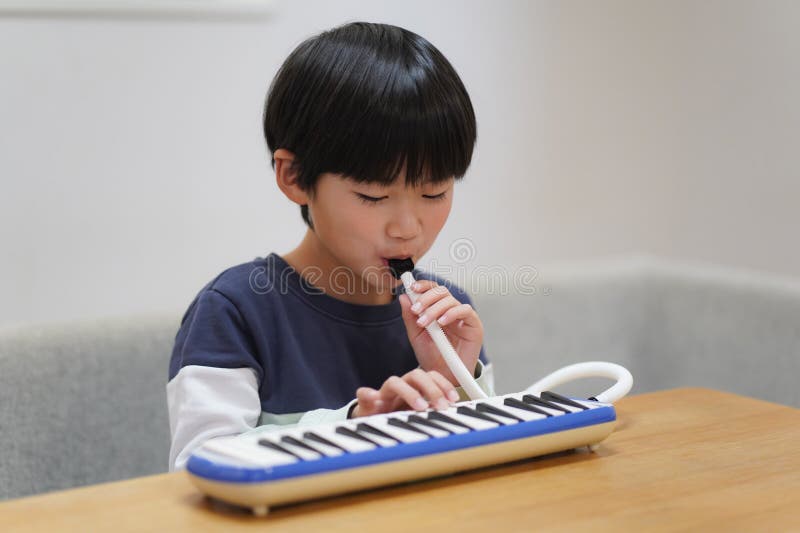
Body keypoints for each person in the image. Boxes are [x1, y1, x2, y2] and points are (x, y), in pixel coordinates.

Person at [167, 21, 495, 471]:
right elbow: (196, 468)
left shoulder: (447, 312)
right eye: (374, 196)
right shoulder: (236, 311)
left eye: (435, 193)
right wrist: (356, 427)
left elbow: (487, 471)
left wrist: (453, 382)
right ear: (296, 177)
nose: (406, 228)